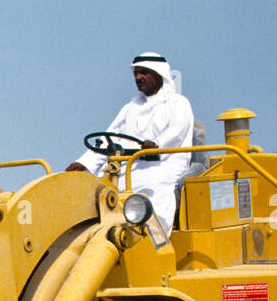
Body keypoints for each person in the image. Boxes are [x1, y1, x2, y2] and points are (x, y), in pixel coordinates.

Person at [67, 53, 195, 232]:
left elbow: (177, 133)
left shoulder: (178, 103)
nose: (138, 78)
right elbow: (110, 137)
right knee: (102, 192)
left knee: (154, 189)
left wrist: (156, 144)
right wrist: (84, 163)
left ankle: (155, 238)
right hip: (131, 167)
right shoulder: (131, 107)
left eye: (144, 73)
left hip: (164, 166)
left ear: (158, 74)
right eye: (136, 73)